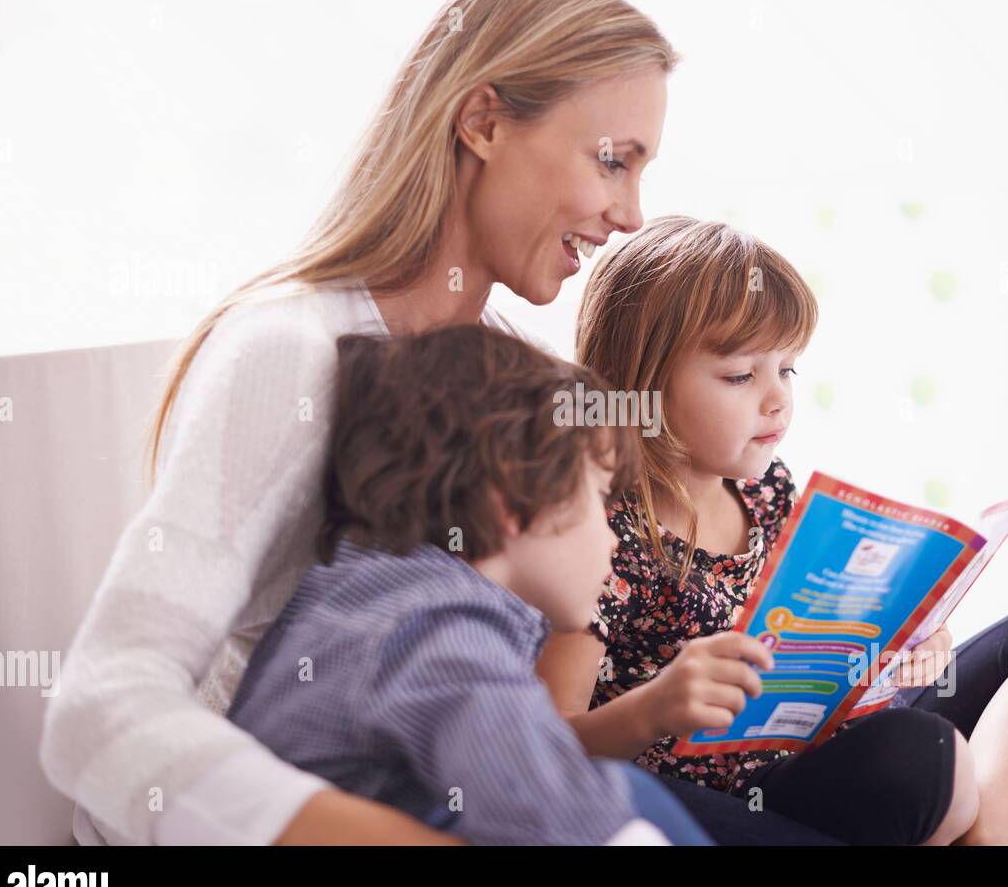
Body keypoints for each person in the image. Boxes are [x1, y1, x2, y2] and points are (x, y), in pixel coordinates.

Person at [40, 0, 675, 845]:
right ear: (483, 123)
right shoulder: (292, 350)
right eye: (613, 159)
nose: (633, 215)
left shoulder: (508, 372)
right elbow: (100, 705)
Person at [536, 215, 1008, 845]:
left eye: (787, 370)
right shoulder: (602, 534)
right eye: (742, 375)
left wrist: (913, 644)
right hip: (730, 799)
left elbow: (825, 636)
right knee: (928, 758)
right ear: (643, 385)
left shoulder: (766, 490)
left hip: (817, 751)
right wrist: (655, 708)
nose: (777, 400)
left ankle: (995, 833)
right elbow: (544, 744)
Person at [227, 325, 713, 844]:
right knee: (634, 798)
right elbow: (555, 815)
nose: (614, 538)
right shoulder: (441, 633)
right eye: (598, 495)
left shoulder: (363, 583)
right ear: (514, 498)